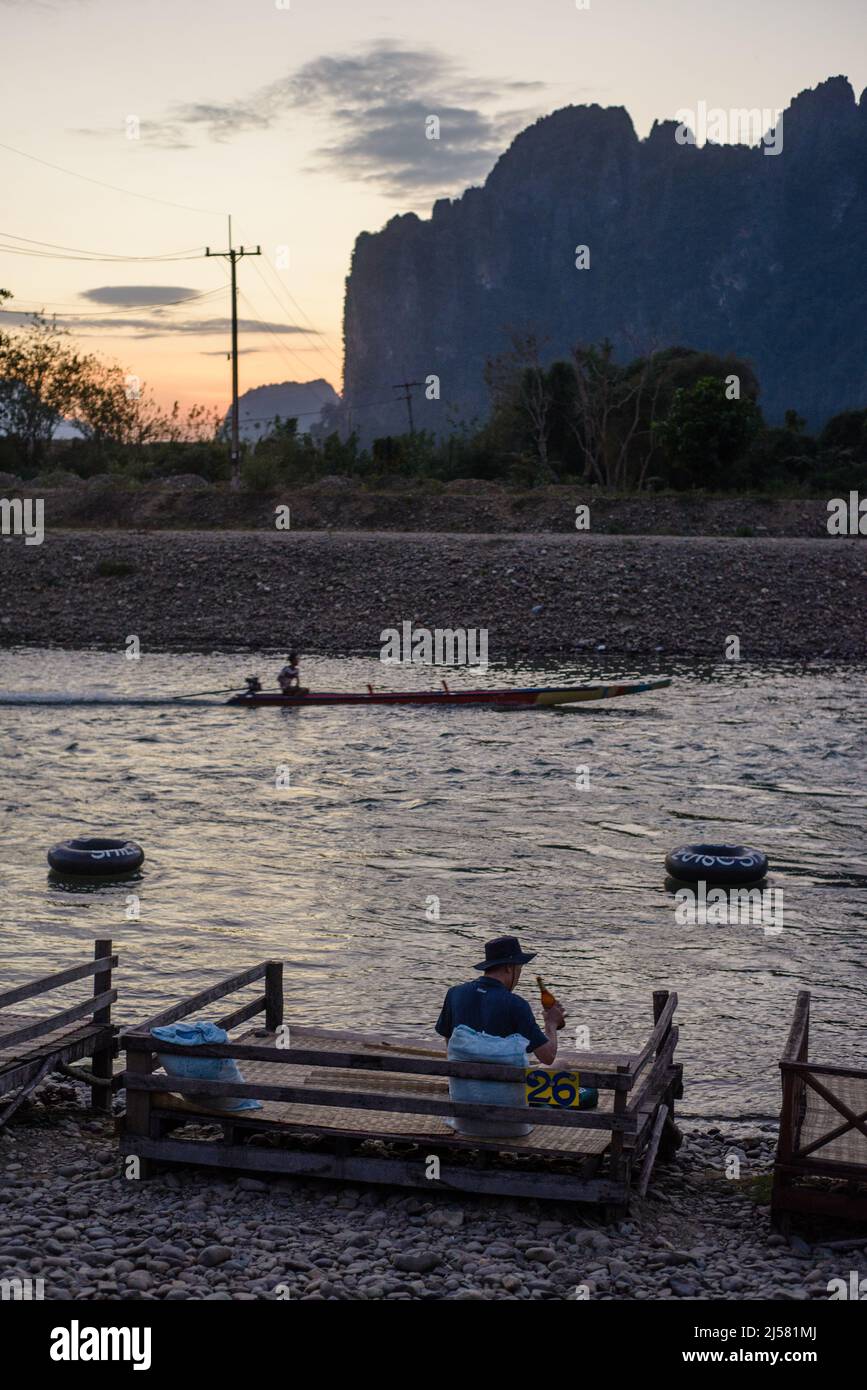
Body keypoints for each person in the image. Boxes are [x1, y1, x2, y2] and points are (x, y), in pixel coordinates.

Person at [435, 934, 565, 1064]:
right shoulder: (516, 1004)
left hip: (461, 1083)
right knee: (560, 1064)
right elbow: (548, 1057)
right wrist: (551, 1023)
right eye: (519, 969)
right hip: (504, 1084)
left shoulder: (455, 993)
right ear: (509, 967)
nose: (519, 975)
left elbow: (450, 1043)